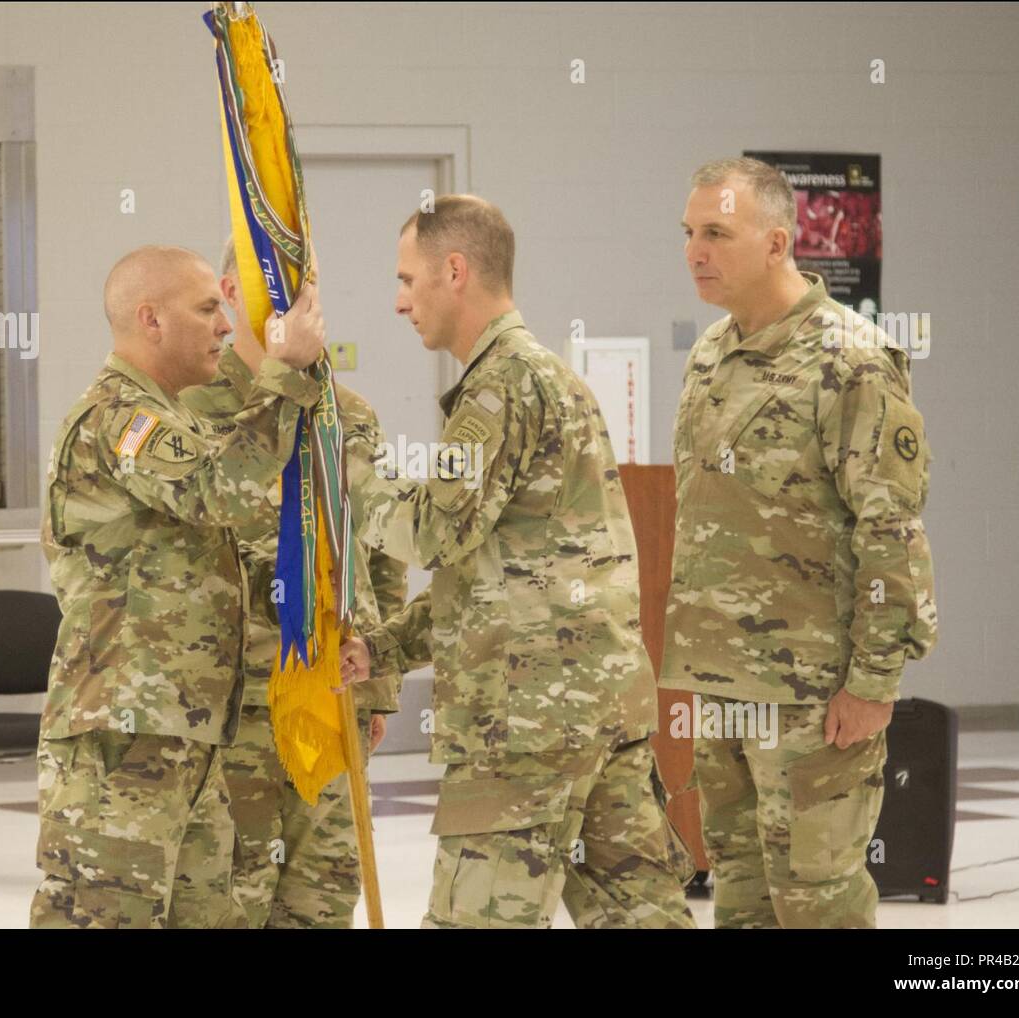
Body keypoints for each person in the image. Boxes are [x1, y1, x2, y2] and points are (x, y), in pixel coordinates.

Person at [341, 196, 695, 929]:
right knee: (642, 921)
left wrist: (349, 467)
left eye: (409, 280)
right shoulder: (547, 378)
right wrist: (379, 650)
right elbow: (494, 579)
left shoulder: (502, 386)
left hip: (526, 729)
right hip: (599, 714)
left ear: (456, 271)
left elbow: (432, 534)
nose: (399, 301)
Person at [664, 157, 937, 928]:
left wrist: (874, 682)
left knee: (817, 902)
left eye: (717, 233)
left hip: (815, 695)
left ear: (779, 242)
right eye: (688, 233)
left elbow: (892, 534)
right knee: (742, 898)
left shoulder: (851, 360)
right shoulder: (710, 354)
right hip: (722, 684)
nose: (695, 251)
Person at [31, 243, 336, 928]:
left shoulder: (174, 417)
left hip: (187, 734)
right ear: (151, 320)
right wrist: (284, 370)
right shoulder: (120, 419)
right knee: (108, 915)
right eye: (207, 308)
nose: (227, 325)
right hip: (123, 734)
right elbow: (218, 488)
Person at [176, 236, 408, 927]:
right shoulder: (190, 413)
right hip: (234, 705)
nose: (288, 302)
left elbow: (380, 557)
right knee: (234, 893)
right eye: (267, 285)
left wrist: (380, 688)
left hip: (328, 690)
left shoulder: (347, 414)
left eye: (301, 287)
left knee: (324, 891)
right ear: (225, 291)